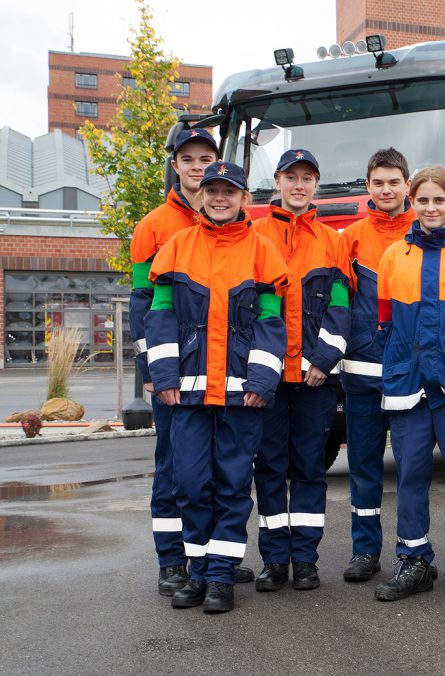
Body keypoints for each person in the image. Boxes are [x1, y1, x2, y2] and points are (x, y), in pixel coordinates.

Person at [146, 161, 288, 614]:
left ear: (245, 198)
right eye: (213, 190)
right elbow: (160, 317)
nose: (220, 198)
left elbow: (271, 322)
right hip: (186, 394)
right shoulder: (176, 247)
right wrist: (164, 377)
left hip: (240, 395)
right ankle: (198, 570)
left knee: (231, 486)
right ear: (202, 195)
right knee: (189, 484)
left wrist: (263, 381)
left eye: (230, 191)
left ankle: (222, 577)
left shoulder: (263, 251)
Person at [128, 128, 254, 595]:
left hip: (221, 374)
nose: (198, 165)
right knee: (174, 468)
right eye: (189, 158)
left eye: (207, 157)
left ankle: (210, 558)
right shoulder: (155, 226)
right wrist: (152, 371)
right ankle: (171, 560)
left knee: (220, 470)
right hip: (173, 374)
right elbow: (144, 304)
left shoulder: (239, 223)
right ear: (176, 166)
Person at [373, 166, 445, 605]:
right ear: (412, 202)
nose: (430, 208)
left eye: (438, 200)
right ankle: (413, 559)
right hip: (408, 379)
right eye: (422, 200)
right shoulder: (392, 256)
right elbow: (384, 323)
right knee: (409, 475)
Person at [251, 150, 349, 592]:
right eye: (291, 177)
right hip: (268, 379)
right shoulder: (253, 235)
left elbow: (341, 308)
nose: (299, 185)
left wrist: (324, 361)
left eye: (307, 178)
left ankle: (305, 559)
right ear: (277, 181)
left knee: (309, 468)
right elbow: (247, 311)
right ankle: (274, 559)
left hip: (315, 378)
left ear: (316, 185)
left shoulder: (334, 241)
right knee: (270, 466)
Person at [336, 148, 417, 583]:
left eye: (394, 182)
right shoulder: (348, 238)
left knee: (411, 469)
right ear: (368, 186)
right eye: (378, 182)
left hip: (411, 375)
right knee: (365, 468)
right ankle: (365, 551)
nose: (386, 190)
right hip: (362, 374)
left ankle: (411, 550)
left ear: (407, 184)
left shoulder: (424, 232)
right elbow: (336, 305)